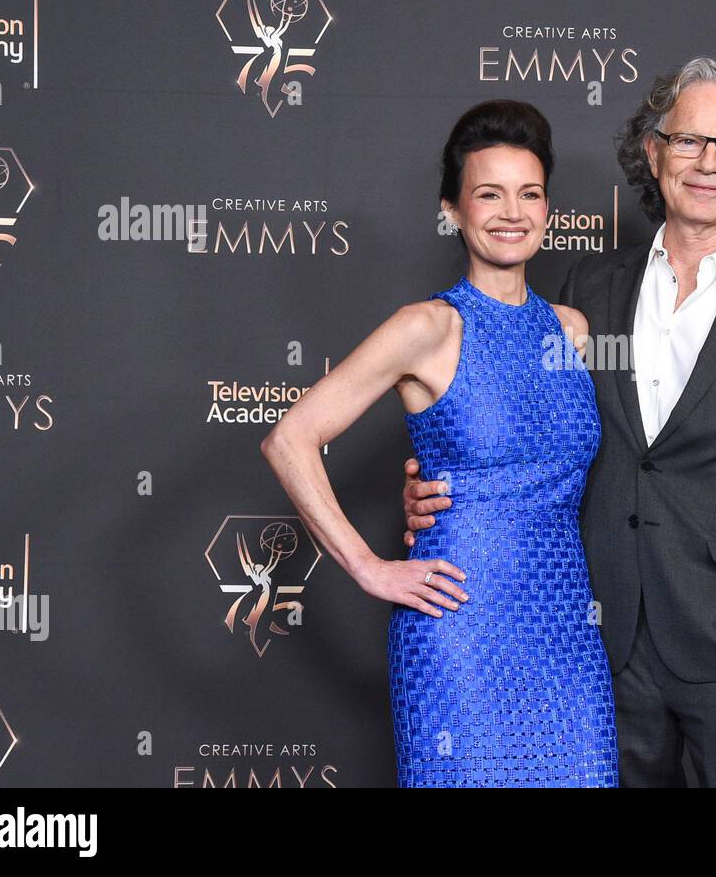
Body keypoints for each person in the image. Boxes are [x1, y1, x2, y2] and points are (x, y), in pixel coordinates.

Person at [405, 58, 716, 787]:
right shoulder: (588, 289)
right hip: (598, 646)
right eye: (688, 140)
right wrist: (441, 486)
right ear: (654, 153)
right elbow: (524, 433)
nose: (708, 163)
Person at [261, 99, 618, 787]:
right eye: (488, 193)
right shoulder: (427, 327)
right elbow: (290, 439)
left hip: (566, 636)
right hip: (459, 634)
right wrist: (370, 567)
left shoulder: (571, 330)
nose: (511, 211)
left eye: (529, 193)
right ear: (453, 209)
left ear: (548, 209)